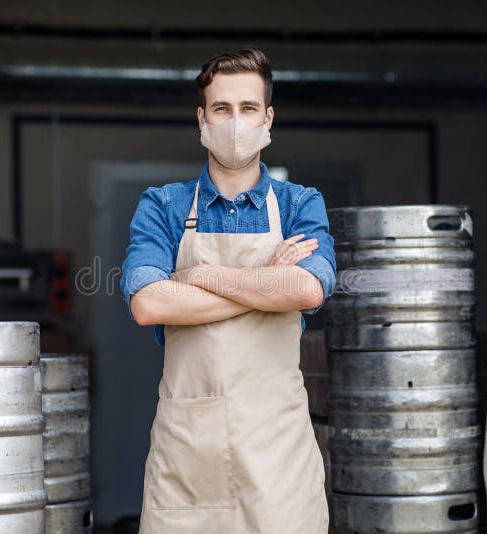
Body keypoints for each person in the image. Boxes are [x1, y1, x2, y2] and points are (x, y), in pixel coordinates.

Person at [120, 46, 335, 534]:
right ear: (202, 119)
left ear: (268, 117)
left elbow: (305, 290)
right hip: (188, 457)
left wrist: (202, 277)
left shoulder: (301, 204)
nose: (234, 123)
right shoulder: (163, 206)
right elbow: (148, 303)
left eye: (247, 108)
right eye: (221, 109)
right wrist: (265, 281)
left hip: (278, 459)